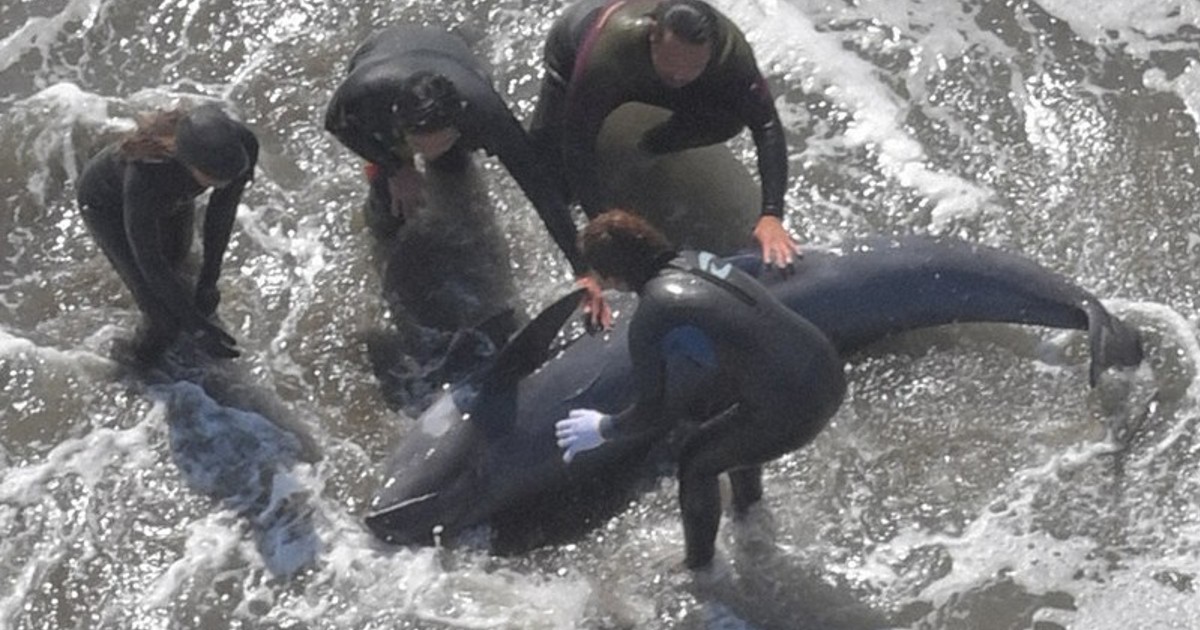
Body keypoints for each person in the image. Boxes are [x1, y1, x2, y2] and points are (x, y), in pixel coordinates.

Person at [554, 210, 845, 569]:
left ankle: (701, 570)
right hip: (826, 367)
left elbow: (649, 413)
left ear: (612, 276)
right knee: (731, 419)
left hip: (798, 405)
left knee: (695, 461)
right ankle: (751, 518)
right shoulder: (696, 259)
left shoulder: (654, 314)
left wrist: (603, 428)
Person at [324, 25, 610, 328]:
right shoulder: (364, 93)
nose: (428, 152)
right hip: (380, 57)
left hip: (453, 61)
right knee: (388, 209)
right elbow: (336, 124)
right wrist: (396, 167)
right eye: (420, 145)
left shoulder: (485, 112)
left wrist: (582, 269)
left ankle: (445, 153)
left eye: (440, 142)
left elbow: (538, 186)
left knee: (455, 179)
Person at [530, 0, 801, 270]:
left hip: (648, 73)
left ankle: (649, 147)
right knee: (548, 167)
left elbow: (767, 125)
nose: (681, 74)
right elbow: (576, 143)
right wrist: (604, 225)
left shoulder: (731, 52)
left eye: (694, 65)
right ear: (653, 37)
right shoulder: (609, 51)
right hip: (574, 49)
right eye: (672, 63)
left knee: (730, 117)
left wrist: (771, 215)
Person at [76, 103, 256, 365]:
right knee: (164, 321)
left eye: (232, 176)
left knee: (181, 269)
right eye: (215, 179)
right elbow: (149, 260)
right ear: (188, 163)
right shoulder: (147, 174)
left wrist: (209, 280)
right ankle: (133, 367)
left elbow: (222, 212)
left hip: (172, 196)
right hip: (106, 207)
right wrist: (195, 326)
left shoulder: (241, 148)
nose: (227, 184)